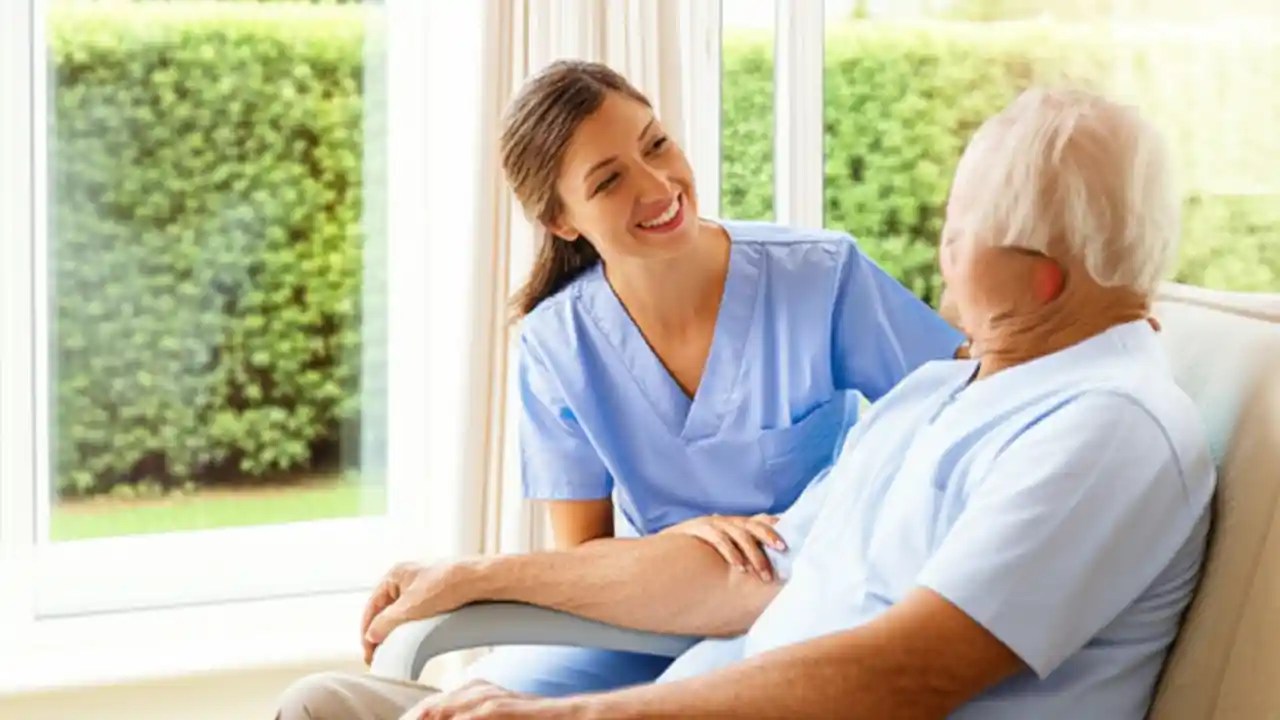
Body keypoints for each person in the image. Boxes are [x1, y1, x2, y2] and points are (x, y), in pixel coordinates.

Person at [277, 85, 1215, 720]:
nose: (938, 252)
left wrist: (571, 719)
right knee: (325, 703)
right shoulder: (944, 392)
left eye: (957, 229)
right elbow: (745, 577)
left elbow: (902, 674)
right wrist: (472, 576)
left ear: (1039, 281)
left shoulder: (1105, 430)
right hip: (679, 693)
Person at [455, 59, 963, 697]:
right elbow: (583, 555)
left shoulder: (819, 275)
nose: (658, 186)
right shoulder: (558, 344)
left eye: (657, 145)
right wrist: (680, 542)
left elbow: (965, 402)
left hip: (811, 602)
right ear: (563, 221)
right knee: (476, 700)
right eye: (610, 181)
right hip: (649, 616)